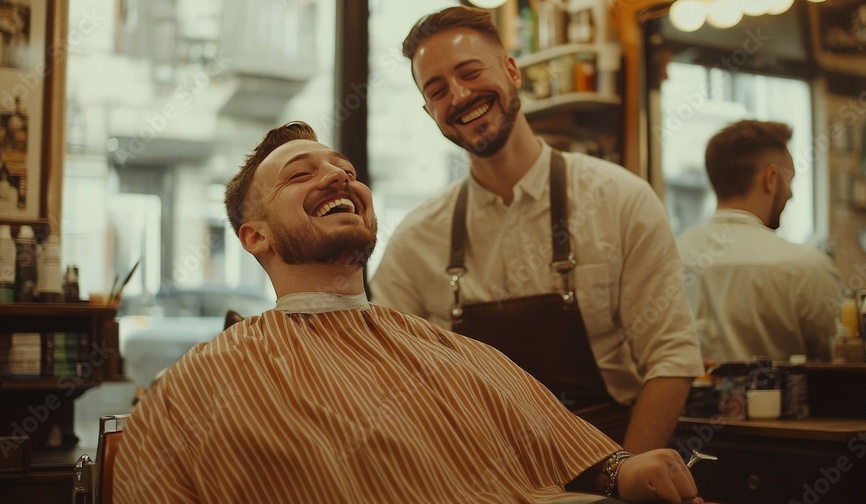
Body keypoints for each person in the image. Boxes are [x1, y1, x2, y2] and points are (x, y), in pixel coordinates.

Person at [113, 122, 702, 504]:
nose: (337, 176)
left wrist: (621, 473)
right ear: (254, 237)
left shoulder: (445, 350)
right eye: (301, 175)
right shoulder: (200, 384)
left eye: (343, 169)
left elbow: (560, 451)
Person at [370, 6, 702, 454]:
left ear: (512, 71)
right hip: (483, 475)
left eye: (470, 72)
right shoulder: (414, 242)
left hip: (608, 454)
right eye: (438, 90)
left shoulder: (621, 200)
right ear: (430, 112)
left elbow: (671, 356)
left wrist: (629, 478)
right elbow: (390, 380)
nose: (460, 94)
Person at [676, 120, 842, 363]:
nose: (791, 194)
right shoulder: (807, 268)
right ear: (771, 179)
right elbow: (838, 362)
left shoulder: (670, 257)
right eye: (790, 182)